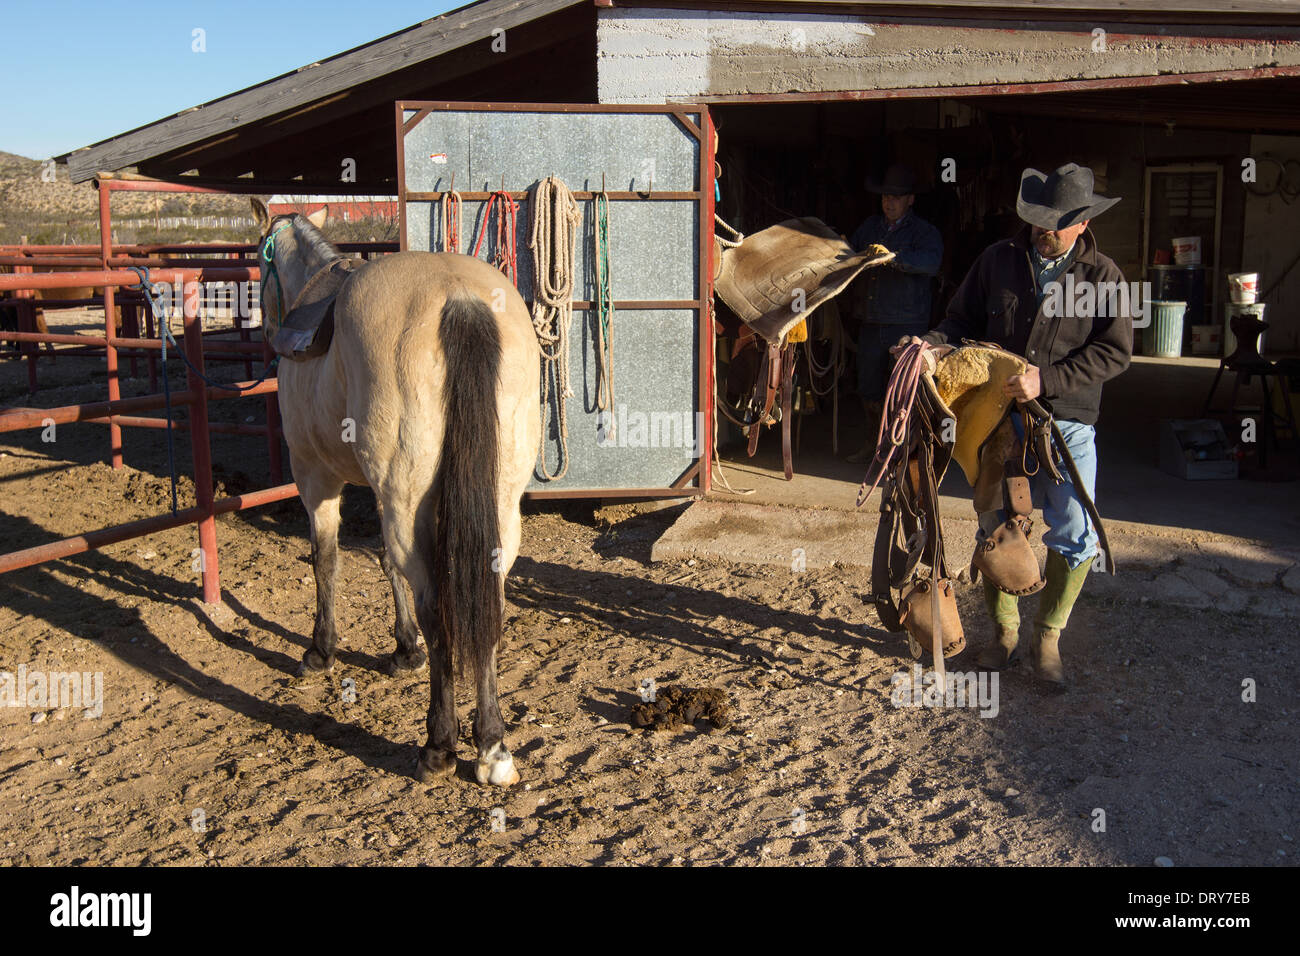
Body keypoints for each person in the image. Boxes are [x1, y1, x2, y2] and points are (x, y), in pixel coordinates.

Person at [897, 162, 1132, 686]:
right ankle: (1004, 635)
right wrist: (931, 345)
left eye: (1057, 223)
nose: (1044, 232)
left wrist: (1046, 381)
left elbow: (1115, 354)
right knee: (994, 526)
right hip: (997, 419)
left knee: (1075, 532)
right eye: (1038, 221)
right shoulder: (997, 262)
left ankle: (1047, 637)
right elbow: (959, 322)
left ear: (1082, 224)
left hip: (1065, 419)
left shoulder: (1104, 277)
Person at [846, 164, 943, 464]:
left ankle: (903, 449)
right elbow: (851, 252)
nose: (889, 202)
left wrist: (892, 258)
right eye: (886, 196)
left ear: (910, 199)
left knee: (904, 390)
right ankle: (875, 444)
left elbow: (930, 263)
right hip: (872, 321)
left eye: (897, 197)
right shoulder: (870, 228)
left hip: (907, 323)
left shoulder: (925, 233)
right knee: (869, 386)